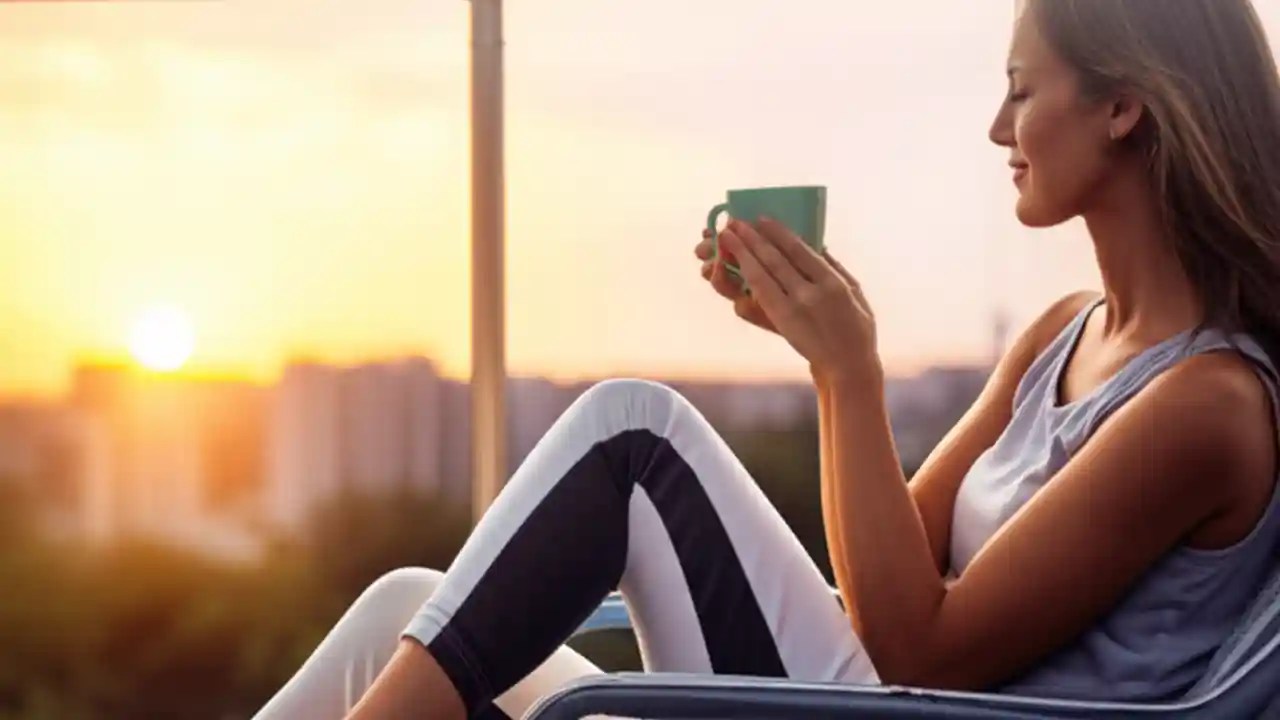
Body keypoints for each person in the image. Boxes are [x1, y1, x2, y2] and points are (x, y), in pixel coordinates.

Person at [254, 1, 1280, 718]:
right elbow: (879, 586)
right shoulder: (1061, 333)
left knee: (632, 432)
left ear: (1121, 108)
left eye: (1021, 91)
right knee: (405, 606)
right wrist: (825, 348)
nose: (996, 127)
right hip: (884, 699)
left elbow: (921, 648)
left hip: (919, 711)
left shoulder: (1205, 407)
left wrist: (847, 373)